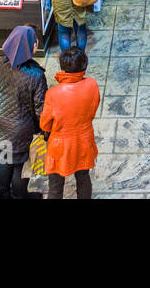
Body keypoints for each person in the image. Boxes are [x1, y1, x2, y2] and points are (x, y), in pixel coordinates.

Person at [0, 25, 47, 198]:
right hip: (21, 133)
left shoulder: (0, 63)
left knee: (5, 159)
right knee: (20, 167)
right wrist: (43, 130)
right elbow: (40, 110)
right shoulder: (36, 75)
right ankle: (19, 195)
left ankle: (0, 192)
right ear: (32, 47)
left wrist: (3, 111)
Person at [39, 45, 99, 199]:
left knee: (55, 186)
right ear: (84, 65)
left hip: (59, 146)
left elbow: (45, 124)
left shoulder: (53, 93)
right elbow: (92, 111)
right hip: (83, 140)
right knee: (83, 178)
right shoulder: (92, 84)